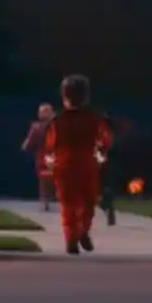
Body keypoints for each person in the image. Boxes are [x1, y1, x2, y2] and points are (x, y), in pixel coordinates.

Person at [45, 75, 112, 255]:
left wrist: (50, 161)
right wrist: (102, 151)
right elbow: (105, 140)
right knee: (88, 202)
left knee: (68, 205)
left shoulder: (57, 121)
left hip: (65, 165)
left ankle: (72, 238)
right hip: (87, 164)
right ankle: (81, 231)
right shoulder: (95, 118)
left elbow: (50, 146)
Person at [21, 103, 56, 211]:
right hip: (57, 157)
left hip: (43, 157)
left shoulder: (36, 127)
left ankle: (45, 201)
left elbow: (27, 145)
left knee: (44, 180)